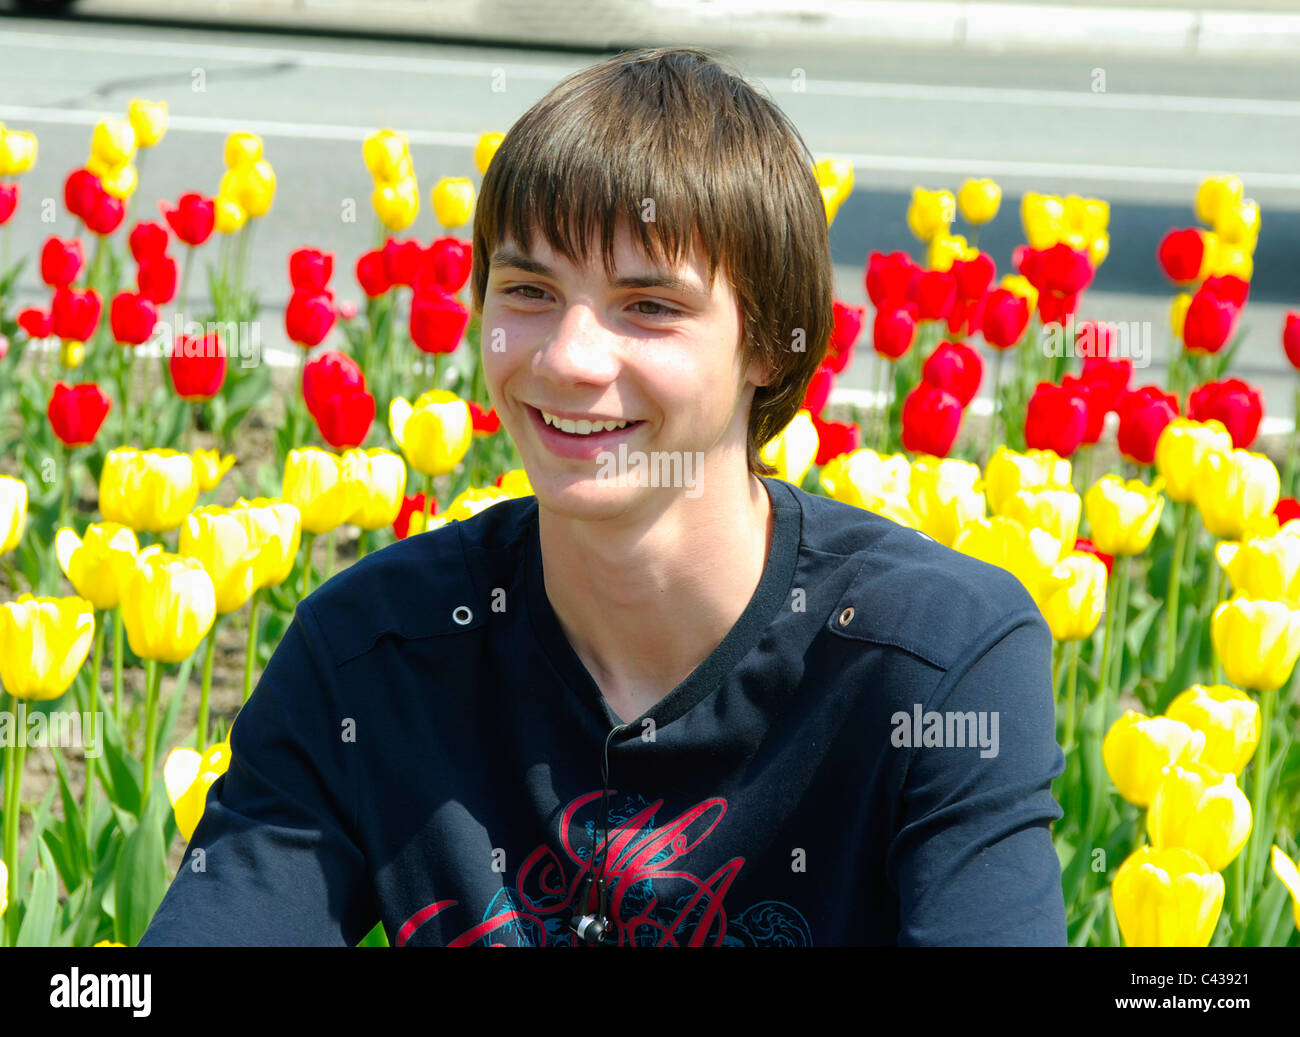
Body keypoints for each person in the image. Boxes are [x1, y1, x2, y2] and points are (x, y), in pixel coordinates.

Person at [139, 45, 1066, 948]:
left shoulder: (929, 658)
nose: (568, 358)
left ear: (772, 346)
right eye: (530, 289)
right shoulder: (376, 651)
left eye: (650, 305)